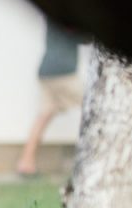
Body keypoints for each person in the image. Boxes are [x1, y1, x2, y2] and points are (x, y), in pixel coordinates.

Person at [15, 19, 85, 177]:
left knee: (44, 115)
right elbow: (82, 37)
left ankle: (25, 163)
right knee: (94, 105)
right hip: (62, 72)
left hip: (46, 71)